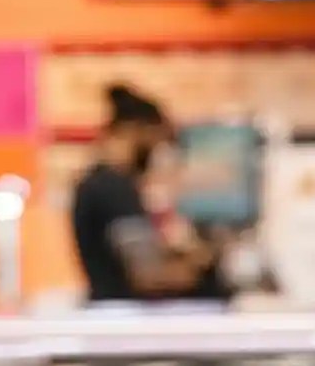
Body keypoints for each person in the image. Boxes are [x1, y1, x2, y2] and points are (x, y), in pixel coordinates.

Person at [72, 85, 221, 303]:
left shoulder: (98, 184)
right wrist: (202, 262)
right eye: (156, 140)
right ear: (135, 131)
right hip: (125, 318)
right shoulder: (112, 189)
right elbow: (149, 277)